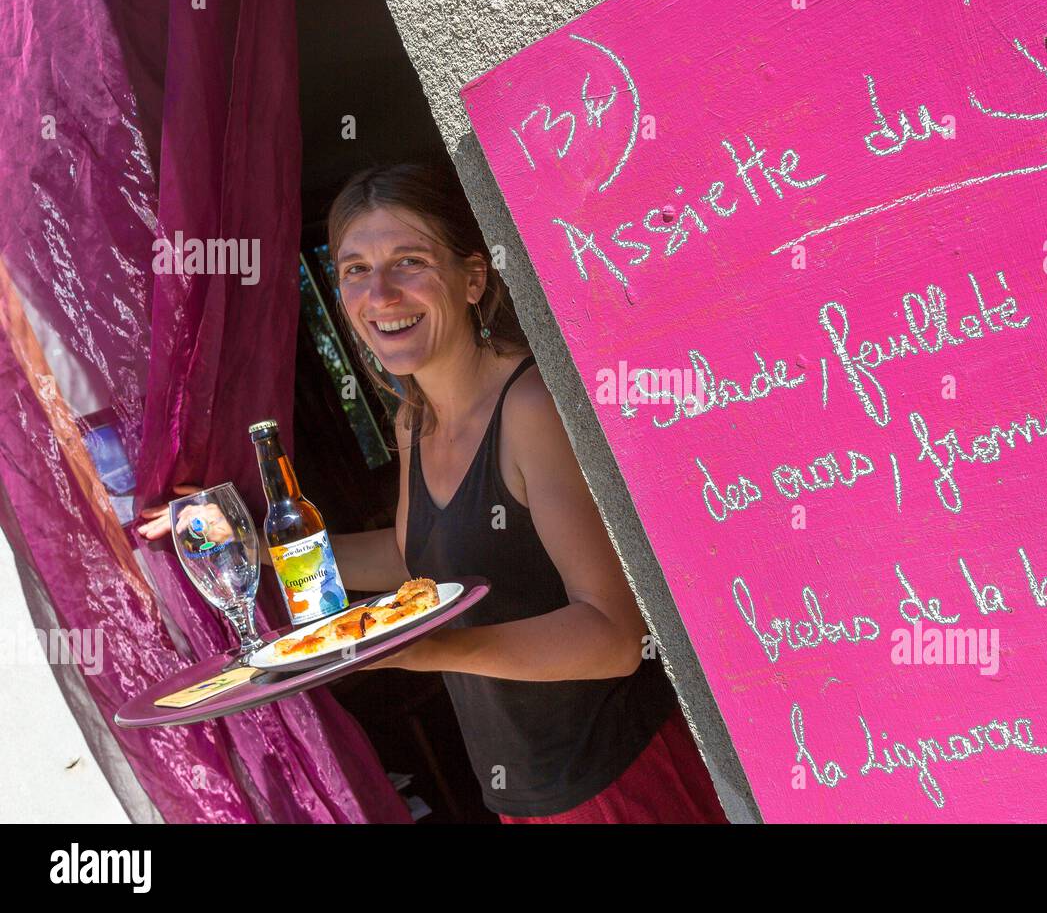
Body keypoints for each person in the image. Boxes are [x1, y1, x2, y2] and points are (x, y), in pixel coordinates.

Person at [139, 163, 728, 824]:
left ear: (473, 277)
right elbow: (416, 558)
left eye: (408, 261)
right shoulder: (414, 420)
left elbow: (616, 637)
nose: (380, 293)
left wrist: (421, 650)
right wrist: (248, 545)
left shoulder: (531, 407)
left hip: (620, 782)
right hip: (521, 795)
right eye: (355, 269)